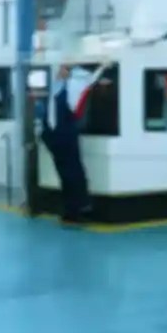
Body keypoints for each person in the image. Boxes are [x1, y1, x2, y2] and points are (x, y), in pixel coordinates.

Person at [42, 63, 109, 225]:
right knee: (72, 173)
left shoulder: (56, 91)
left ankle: (74, 210)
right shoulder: (67, 89)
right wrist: (103, 68)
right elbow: (89, 81)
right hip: (64, 136)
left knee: (69, 174)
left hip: (59, 136)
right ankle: (77, 209)